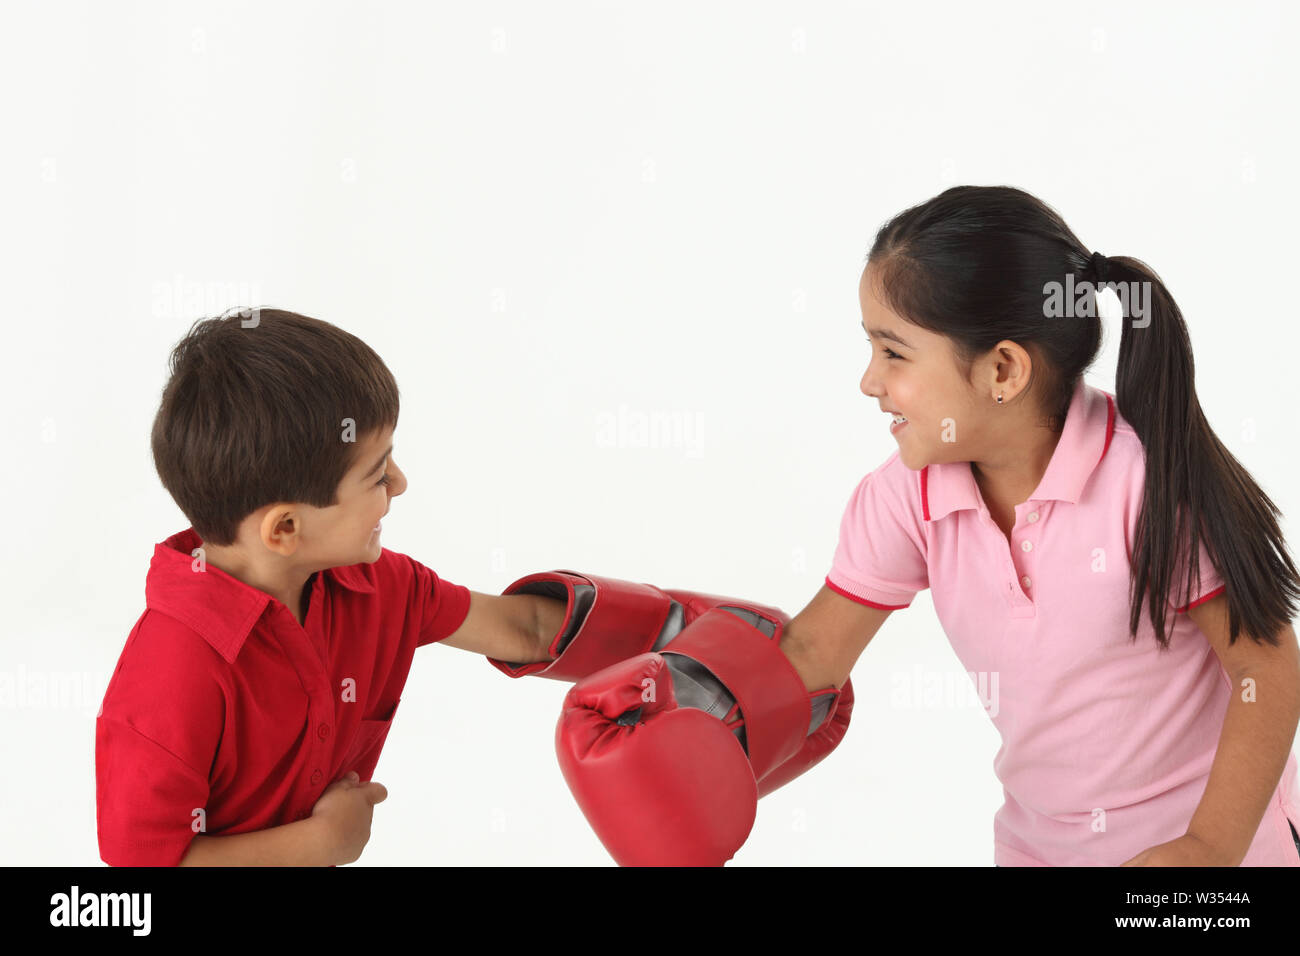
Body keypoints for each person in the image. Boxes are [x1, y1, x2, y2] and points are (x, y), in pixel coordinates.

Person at [555, 185, 1300, 866]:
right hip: (1039, 851)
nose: (869, 380)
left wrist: (1209, 846)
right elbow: (812, 652)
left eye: (893, 351)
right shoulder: (907, 496)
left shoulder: (1148, 481)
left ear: (1002, 372)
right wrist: (476, 620)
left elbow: (1265, 666)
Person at [97, 308, 849, 866]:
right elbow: (140, 872)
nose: (399, 482)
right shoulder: (174, 668)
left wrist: (739, 648)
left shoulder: (374, 585)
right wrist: (321, 841)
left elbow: (521, 630)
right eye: (374, 473)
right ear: (285, 530)